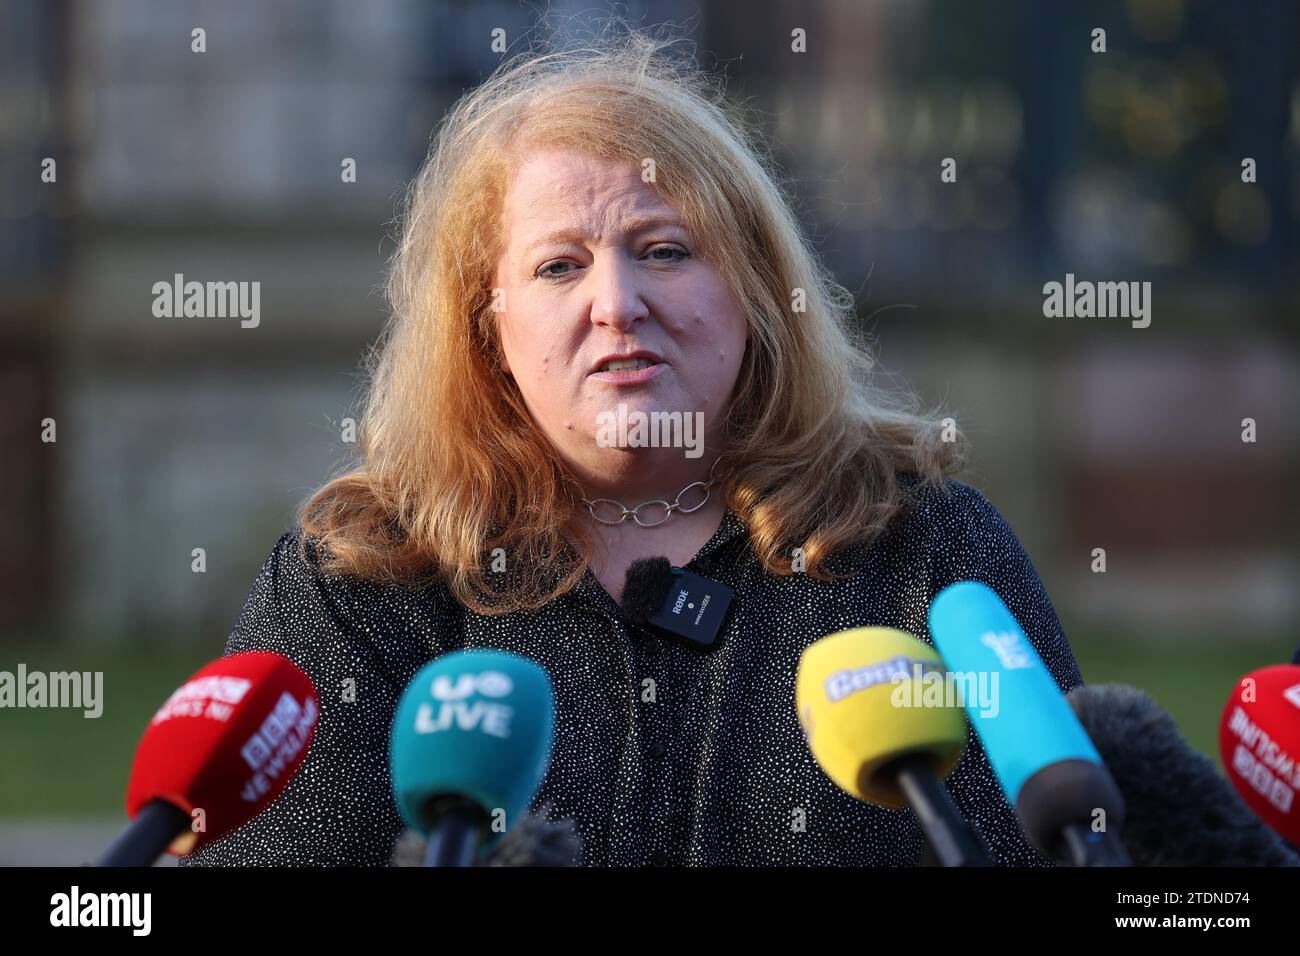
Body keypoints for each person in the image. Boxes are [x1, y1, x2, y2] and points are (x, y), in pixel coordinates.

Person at [180, 30, 1082, 867]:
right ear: (484, 326)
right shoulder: (360, 581)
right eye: (558, 267)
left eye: (663, 250)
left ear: (756, 294)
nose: (616, 303)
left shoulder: (926, 553)